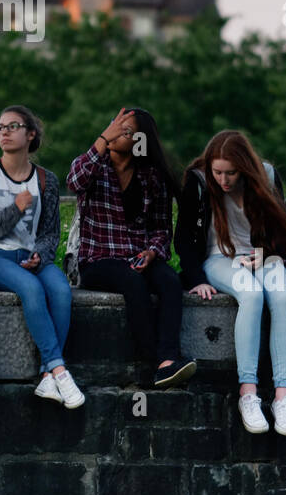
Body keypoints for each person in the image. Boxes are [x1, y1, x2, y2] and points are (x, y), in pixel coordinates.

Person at [175, 129, 286, 437]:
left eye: (231, 173)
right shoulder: (198, 180)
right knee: (251, 295)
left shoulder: (266, 175)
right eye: (218, 172)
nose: (223, 180)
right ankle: (248, 393)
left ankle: (282, 396)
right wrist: (196, 279)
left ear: (245, 168)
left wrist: (267, 255)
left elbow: (283, 229)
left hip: (262, 256)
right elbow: (183, 237)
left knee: (282, 296)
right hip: (219, 257)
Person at [0, 106, 84, 409]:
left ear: (30, 134)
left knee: (60, 290)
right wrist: (15, 209)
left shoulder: (46, 180)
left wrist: (40, 255)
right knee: (31, 289)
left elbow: (50, 233)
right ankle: (59, 369)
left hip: (30, 258)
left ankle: (46, 377)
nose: (4, 131)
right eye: (0, 127)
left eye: (12, 126)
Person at [68, 107, 196, 387]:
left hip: (138, 256)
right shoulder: (95, 166)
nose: (116, 133)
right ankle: (152, 361)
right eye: (114, 124)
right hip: (98, 260)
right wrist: (103, 139)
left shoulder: (152, 176)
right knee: (132, 282)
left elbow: (162, 229)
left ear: (140, 141)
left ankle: (168, 360)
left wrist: (152, 252)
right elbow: (75, 181)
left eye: (125, 131)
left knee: (169, 281)